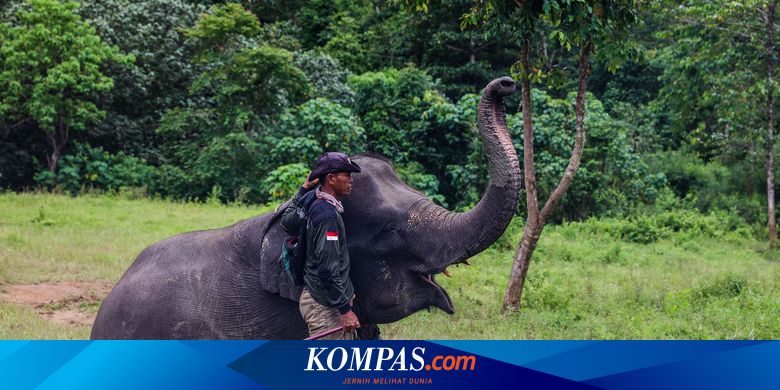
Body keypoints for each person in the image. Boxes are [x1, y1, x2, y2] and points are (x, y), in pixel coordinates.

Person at [281, 152, 362, 340]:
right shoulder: (327, 217)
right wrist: (345, 310)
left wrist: (303, 189)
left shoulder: (312, 202)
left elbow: (287, 221)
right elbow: (326, 269)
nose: (351, 181)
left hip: (323, 300)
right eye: (347, 176)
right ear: (331, 179)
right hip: (325, 306)